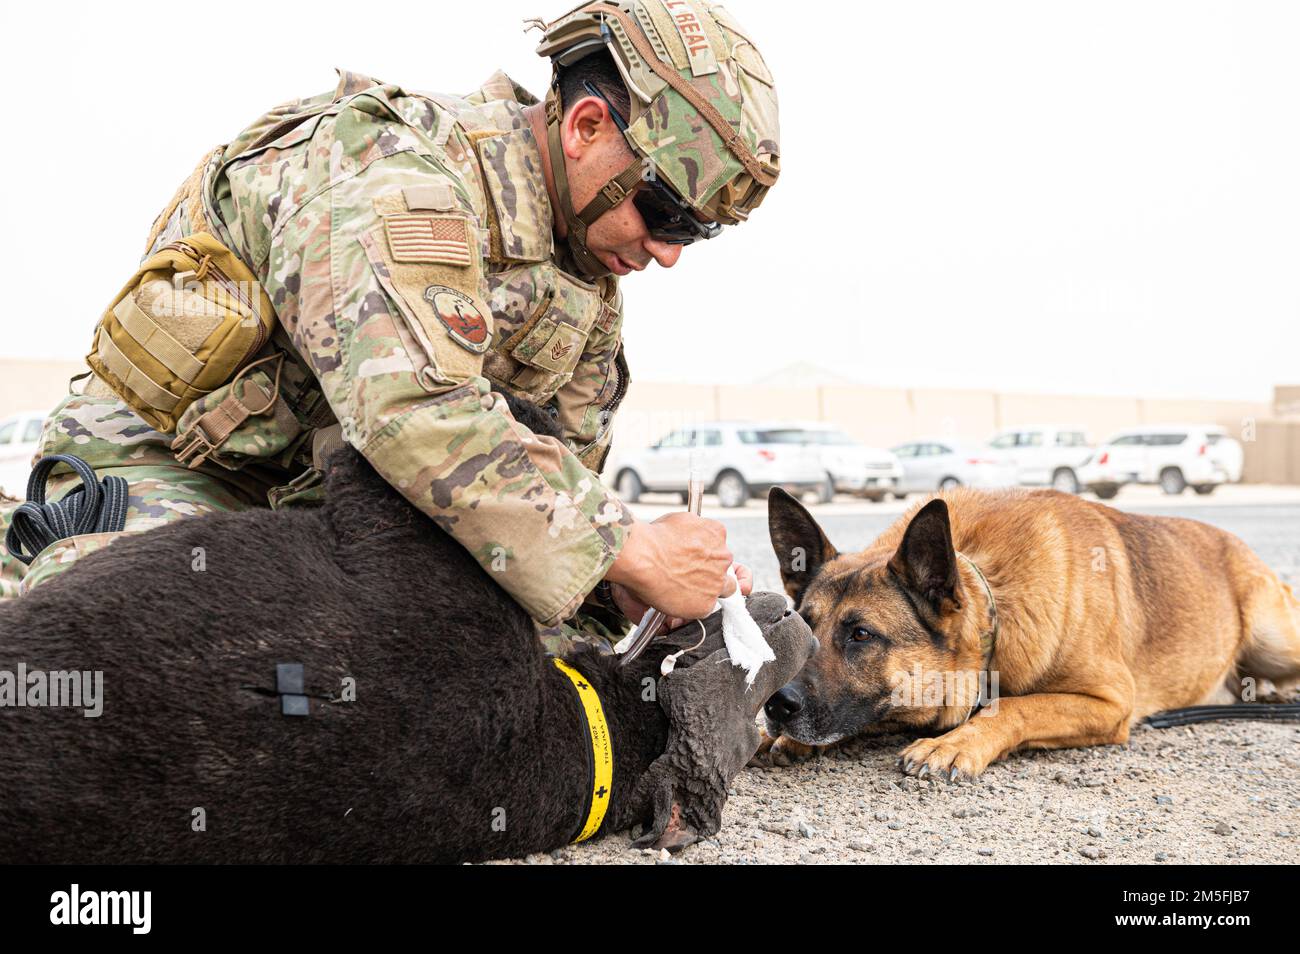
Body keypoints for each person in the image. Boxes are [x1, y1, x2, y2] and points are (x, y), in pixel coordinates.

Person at [0, 0, 781, 653]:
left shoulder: (584, 286)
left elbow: (538, 497)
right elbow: (413, 411)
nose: (671, 254)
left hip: (335, 509)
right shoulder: (395, 168)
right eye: (667, 212)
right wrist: (631, 548)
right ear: (583, 127)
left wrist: (633, 589)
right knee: (169, 663)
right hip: (184, 465)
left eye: (699, 232)